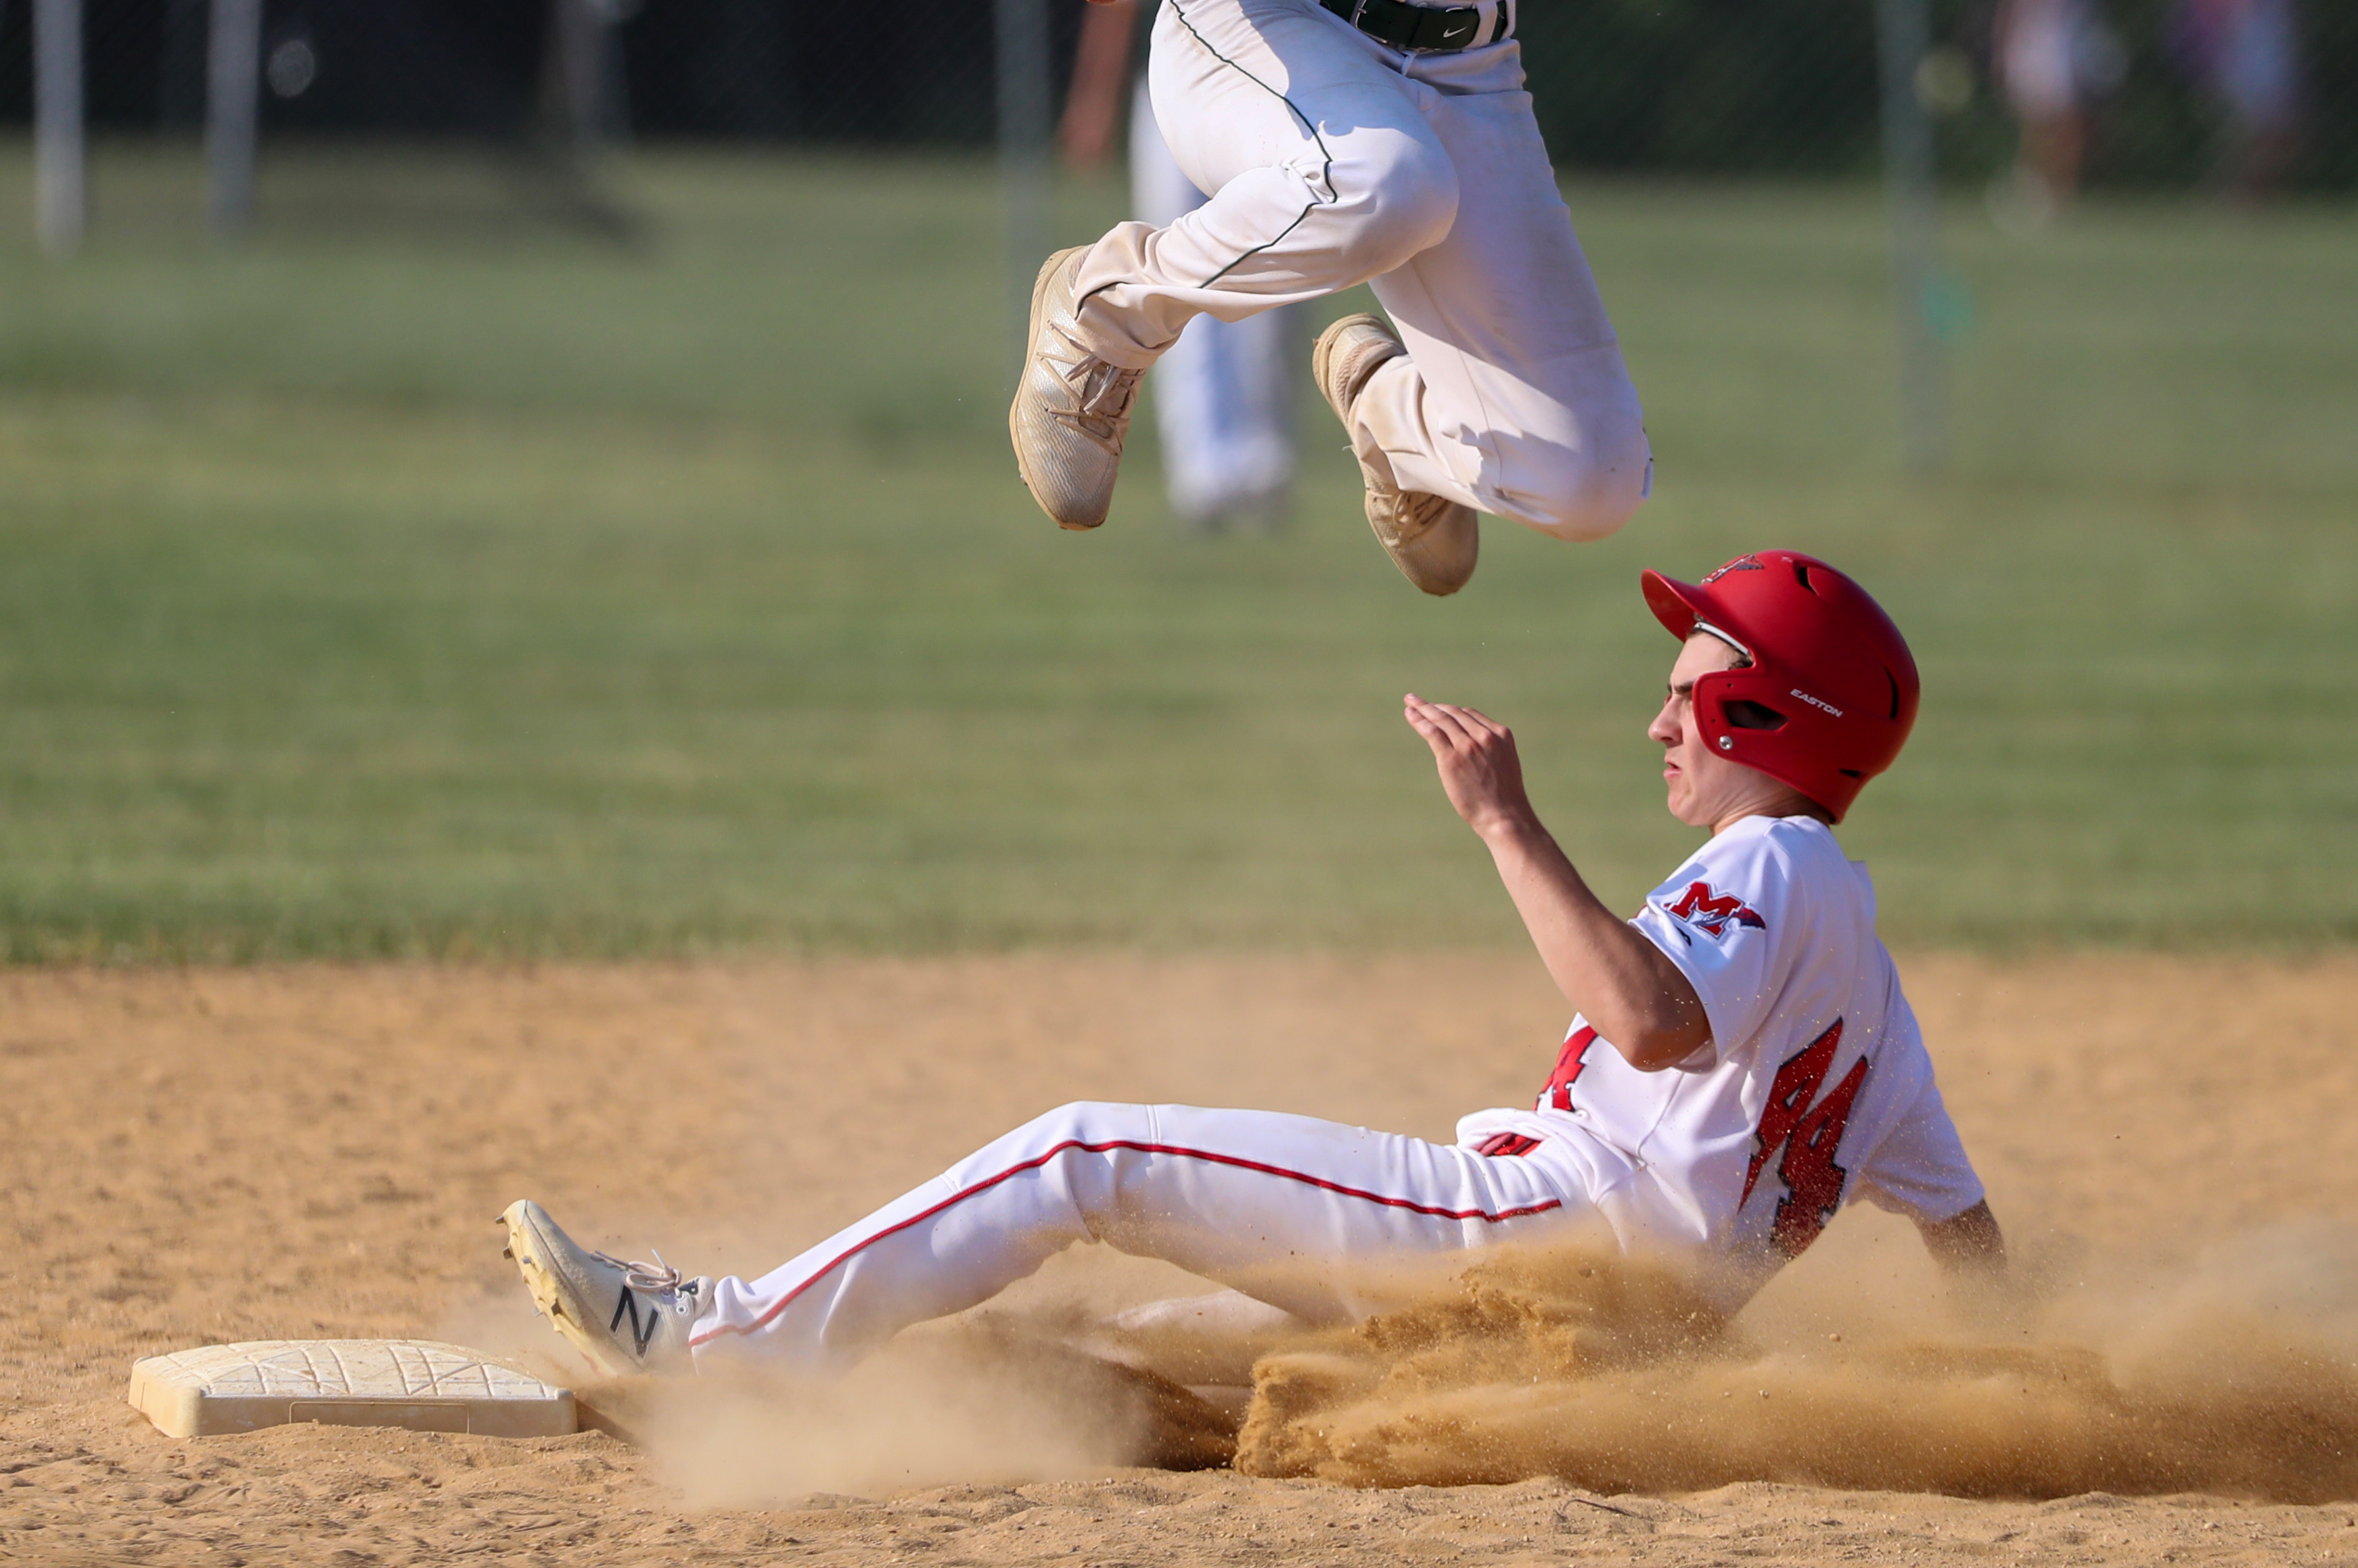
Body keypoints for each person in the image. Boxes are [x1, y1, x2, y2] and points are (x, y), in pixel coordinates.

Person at [499, 550, 2003, 1379]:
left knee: (1084, 1152)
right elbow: (1967, 1242)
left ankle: (716, 1345)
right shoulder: (1869, 999)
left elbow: (1652, 1018)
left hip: (1528, 1239)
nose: (1661, 720)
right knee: (1140, 1340)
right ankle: (850, 1379)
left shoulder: (1772, 861)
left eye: (1693, 691)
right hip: (1595, 1349)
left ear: (1765, 720)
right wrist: (2054, 1385)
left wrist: (1499, 820)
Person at [1006, 0, 1654, 595]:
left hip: (1471, 65)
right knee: (1385, 184)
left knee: (1590, 483)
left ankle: (1393, 413)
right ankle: (1107, 307)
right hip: (1278, 29)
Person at [1060, 0, 1302, 531]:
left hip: (1276, 83)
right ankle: (1204, 471)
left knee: (1268, 273)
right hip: (1179, 75)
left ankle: (1262, 459)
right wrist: (1094, 98)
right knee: (1174, 284)